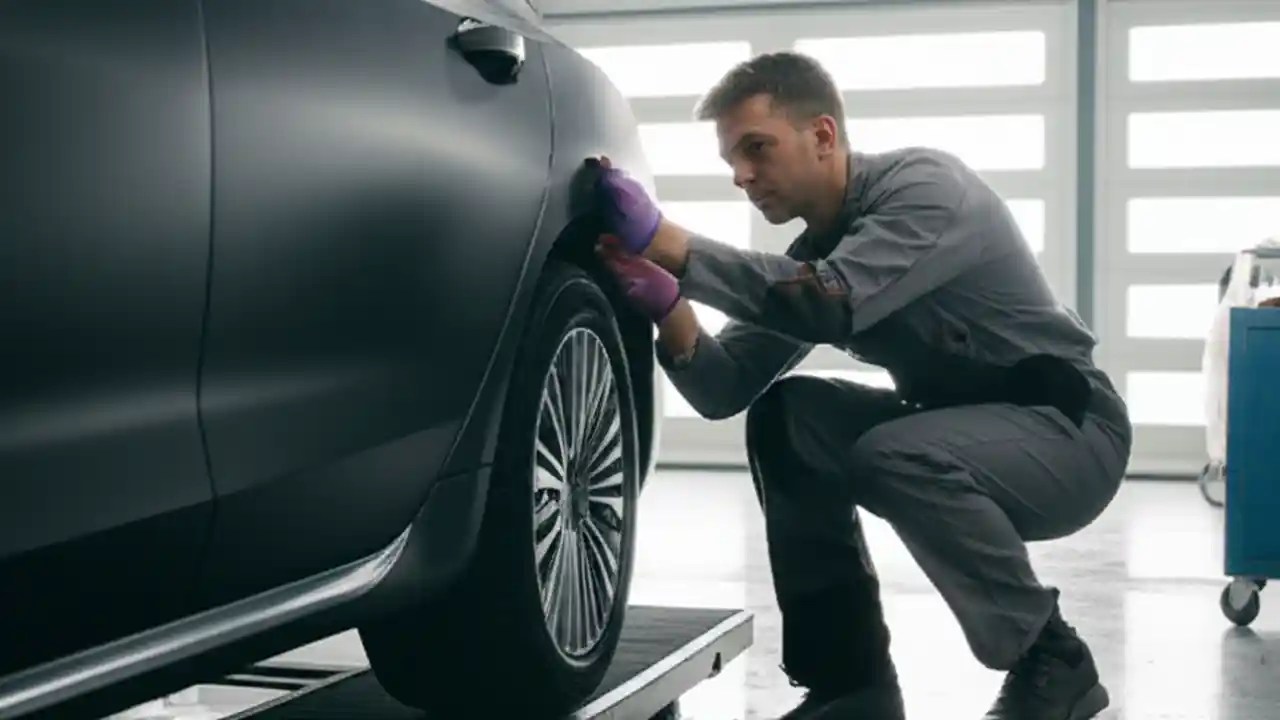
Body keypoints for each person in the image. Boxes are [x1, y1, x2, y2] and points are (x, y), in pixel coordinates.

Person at [589, 51, 1132, 720]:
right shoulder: (813, 259)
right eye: (730, 158)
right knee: (791, 417)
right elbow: (724, 389)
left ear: (821, 134)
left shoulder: (926, 190)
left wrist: (672, 244)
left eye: (756, 148)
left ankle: (1053, 659)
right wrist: (671, 305)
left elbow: (827, 303)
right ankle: (851, 686)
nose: (741, 176)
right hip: (959, 430)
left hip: (1070, 433)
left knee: (893, 454)